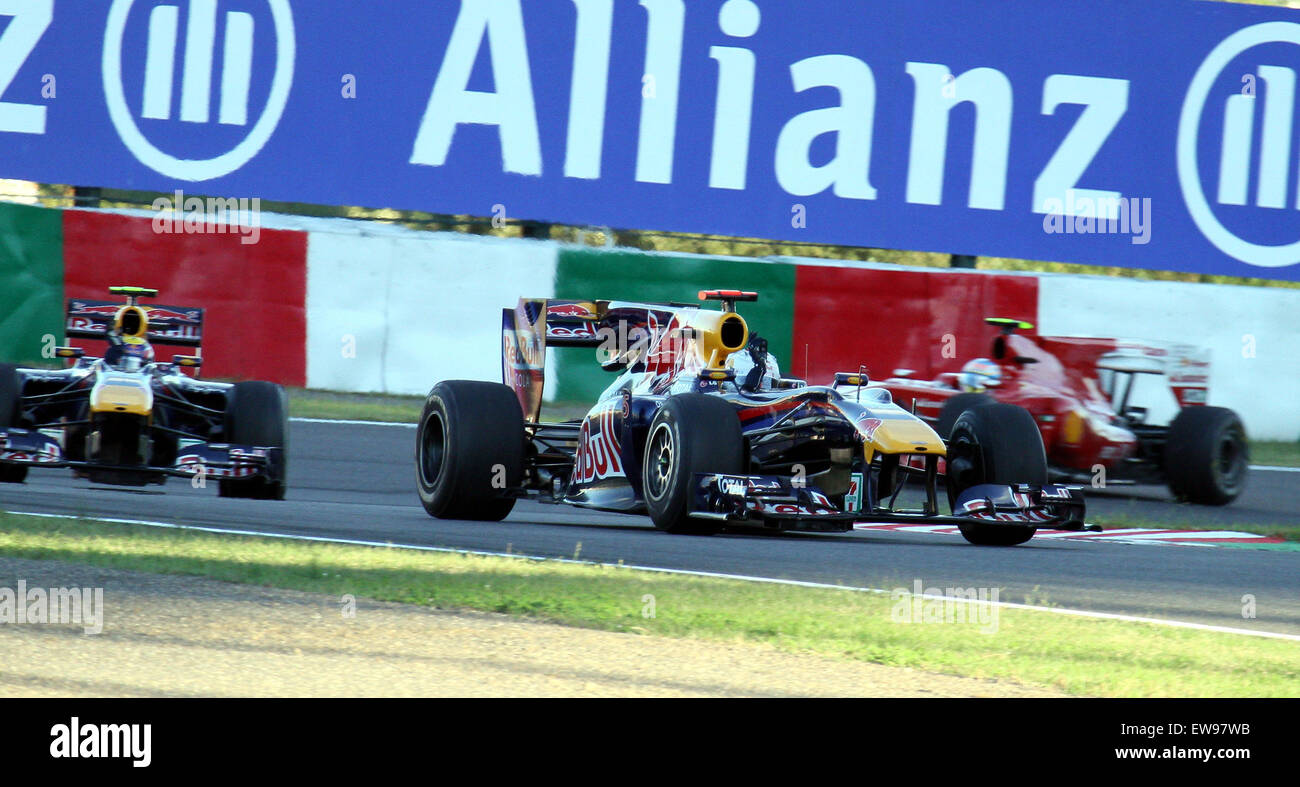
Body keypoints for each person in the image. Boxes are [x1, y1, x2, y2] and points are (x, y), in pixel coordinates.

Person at [102, 304, 155, 372]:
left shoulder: (145, 344)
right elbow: (108, 362)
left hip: (138, 374)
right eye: (128, 320)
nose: (131, 324)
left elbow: (149, 364)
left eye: (135, 321)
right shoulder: (117, 341)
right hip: (115, 371)